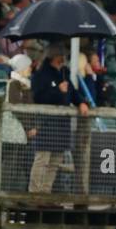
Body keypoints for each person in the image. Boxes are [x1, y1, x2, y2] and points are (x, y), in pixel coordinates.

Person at [29, 45, 89, 193]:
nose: (64, 57)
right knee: (42, 160)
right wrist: (57, 90)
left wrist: (81, 102)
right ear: (54, 56)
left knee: (55, 161)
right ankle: (35, 193)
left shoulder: (64, 72)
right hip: (46, 123)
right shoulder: (40, 74)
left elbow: (73, 92)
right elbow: (38, 96)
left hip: (62, 124)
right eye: (62, 54)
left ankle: (46, 192)